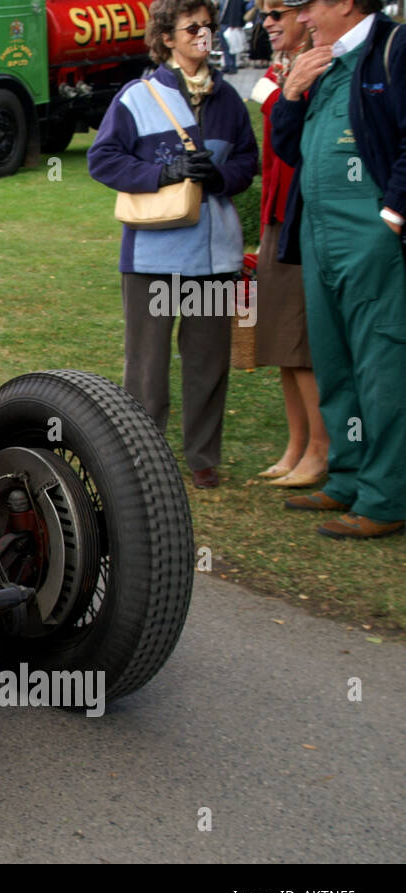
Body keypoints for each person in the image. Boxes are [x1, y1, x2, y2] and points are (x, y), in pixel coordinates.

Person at [87, 0, 258, 490]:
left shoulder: (228, 99)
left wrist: (222, 175)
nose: (203, 35)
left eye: (209, 27)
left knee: (208, 362)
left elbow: (249, 161)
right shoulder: (137, 96)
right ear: (167, 38)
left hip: (215, 259)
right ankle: (145, 460)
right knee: (147, 368)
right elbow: (103, 160)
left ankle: (203, 458)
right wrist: (162, 173)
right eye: (192, 28)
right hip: (153, 259)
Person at [270, 0, 406, 538]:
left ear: (346, 4)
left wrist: (391, 217)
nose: (300, 18)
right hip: (318, 236)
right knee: (335, 362)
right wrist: (292, 94)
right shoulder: (319, 59)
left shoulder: (393, 51)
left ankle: (386, 496)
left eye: (309, 6)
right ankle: (347, 476)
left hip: (369, 236)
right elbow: (287, 148)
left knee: (381, 368)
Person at [248, 0, 329, 488]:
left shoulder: (318, 67)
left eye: (281, 12)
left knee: (301, 346)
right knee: (282, 343)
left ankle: (321, 449)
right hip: (277, 219)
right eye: (266, 14)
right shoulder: (284, 69)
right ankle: (296, 445)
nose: (270, 22)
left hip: (303, 219)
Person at [220, 0, 246, 72]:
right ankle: (227, 64)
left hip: (229, 23)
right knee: (224, 46)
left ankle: (232, 65)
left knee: (231, 45)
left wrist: (234, 24)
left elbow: (236, 10)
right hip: (223, 22)